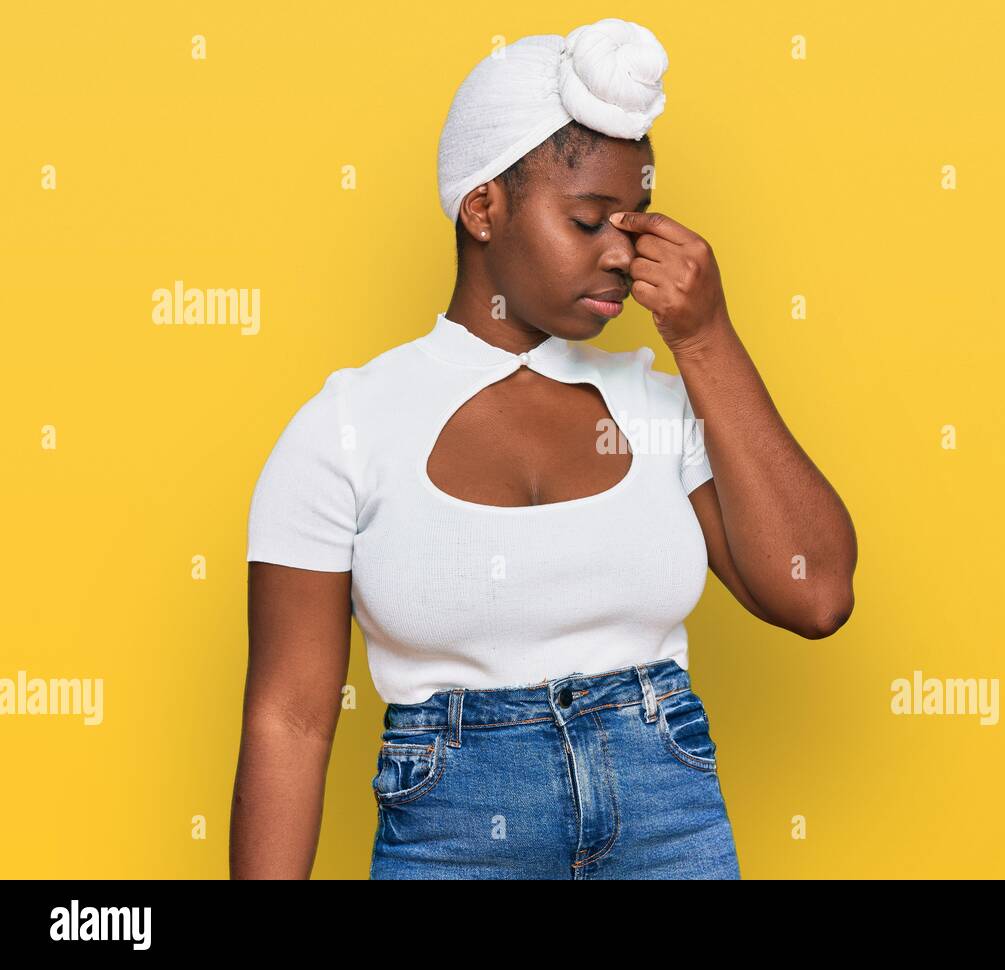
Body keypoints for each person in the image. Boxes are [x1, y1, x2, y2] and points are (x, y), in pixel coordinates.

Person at [230, 17, 856, 880]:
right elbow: (290, 721)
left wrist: (707, 339)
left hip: (667, 830)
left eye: (633, 226)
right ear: (483, 207)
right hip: (451, 843)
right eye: (589, 221)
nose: (621, 258)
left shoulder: (657, 401)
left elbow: (816, 595)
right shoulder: (345, 430)